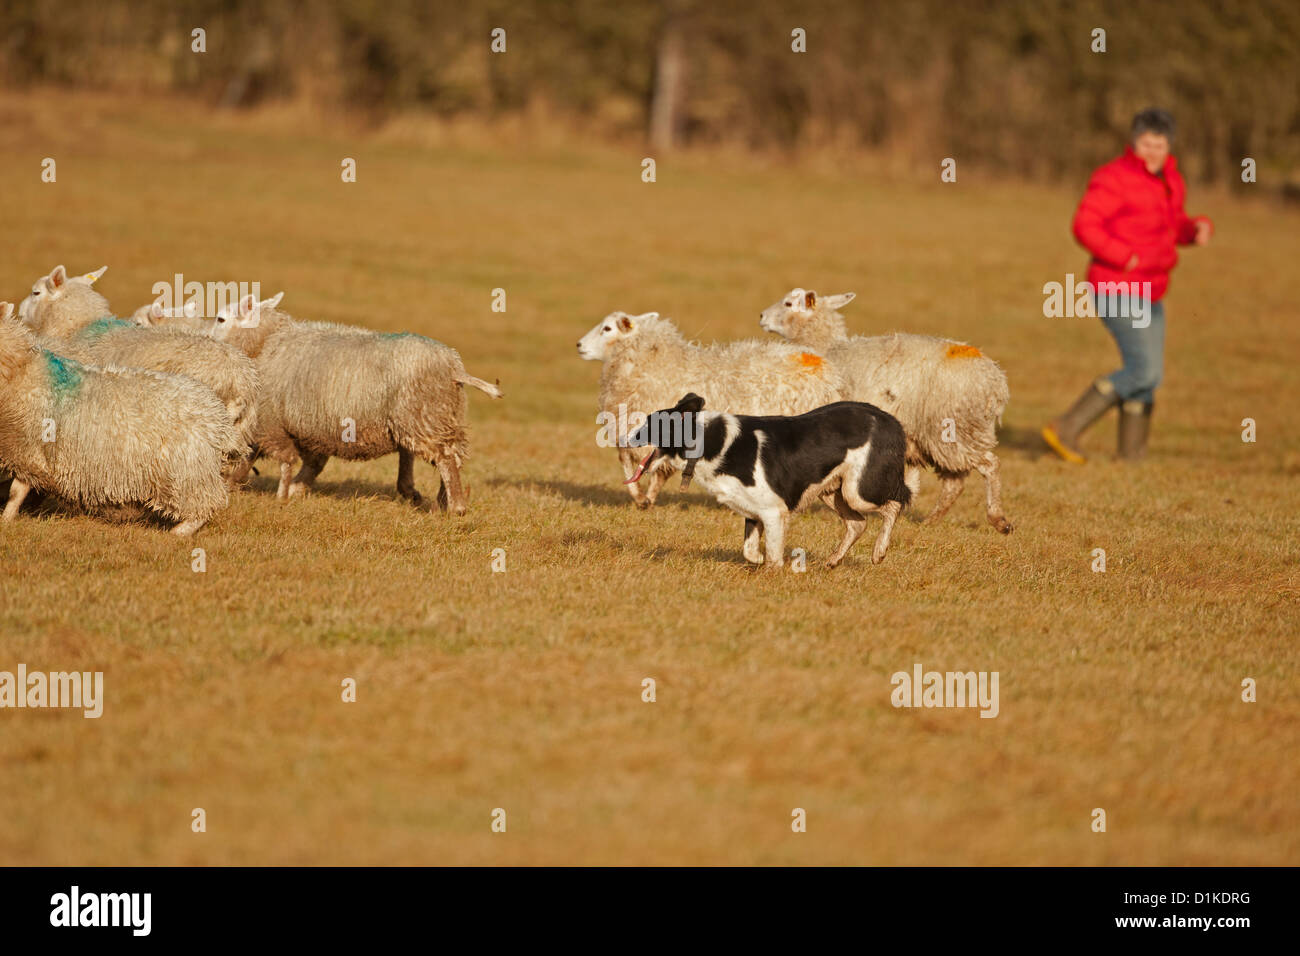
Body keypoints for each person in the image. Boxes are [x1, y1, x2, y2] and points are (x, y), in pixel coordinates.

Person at [1043, 108, 1212, 463]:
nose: (1152, 150)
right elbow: (1084, 225)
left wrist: (1193, 229)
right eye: (1146, 143)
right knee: (1143, 370)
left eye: (1159, 144)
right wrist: (1124, 256)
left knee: (1148, 378)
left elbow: (1171, 224)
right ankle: (1067, 427)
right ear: (1134, 143)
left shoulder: (1170, 180)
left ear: (1169, 146)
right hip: (1116, 288)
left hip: (1152, 289)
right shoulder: (1114, 178)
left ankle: (1131, 458)